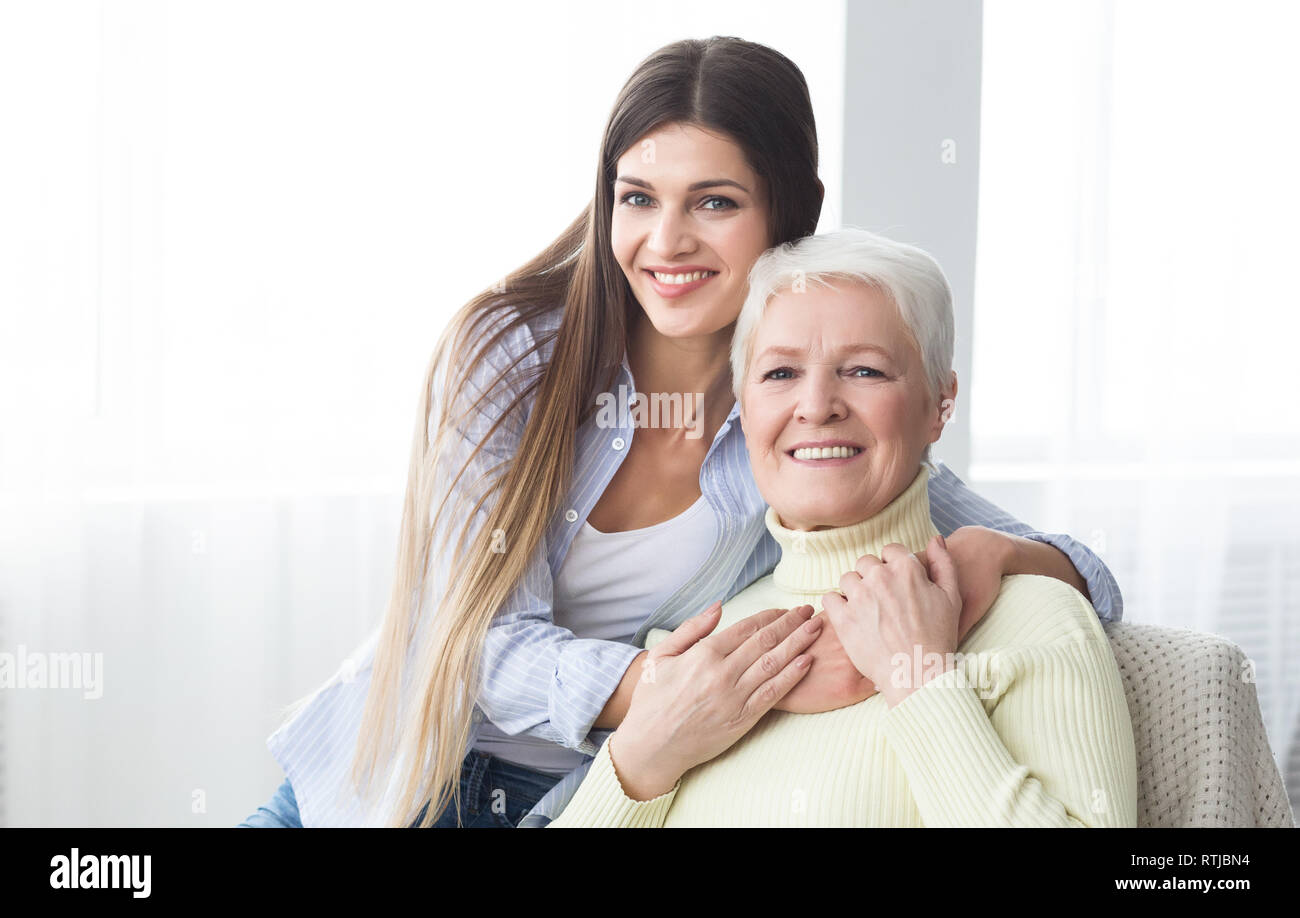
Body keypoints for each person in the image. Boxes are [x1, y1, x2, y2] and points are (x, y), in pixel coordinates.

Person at [239, 37, 1123, 829]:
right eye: (638, 198)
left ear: (791, 210)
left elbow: (1092, 577)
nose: (666, 242)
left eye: (714, 203)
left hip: (570, 803)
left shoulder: (788, 420)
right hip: (388, 787)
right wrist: (677, 691)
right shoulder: (511, 354)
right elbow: (467, 639)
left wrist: (990, 555)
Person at [546, 229, 1138, 827]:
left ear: (940, 402)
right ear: (744, 412)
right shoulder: (703, 641)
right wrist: (642, 759)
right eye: (779, 374)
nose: (817, 404)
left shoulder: (1035, 619)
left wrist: (921, 679)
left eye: (863, 370)